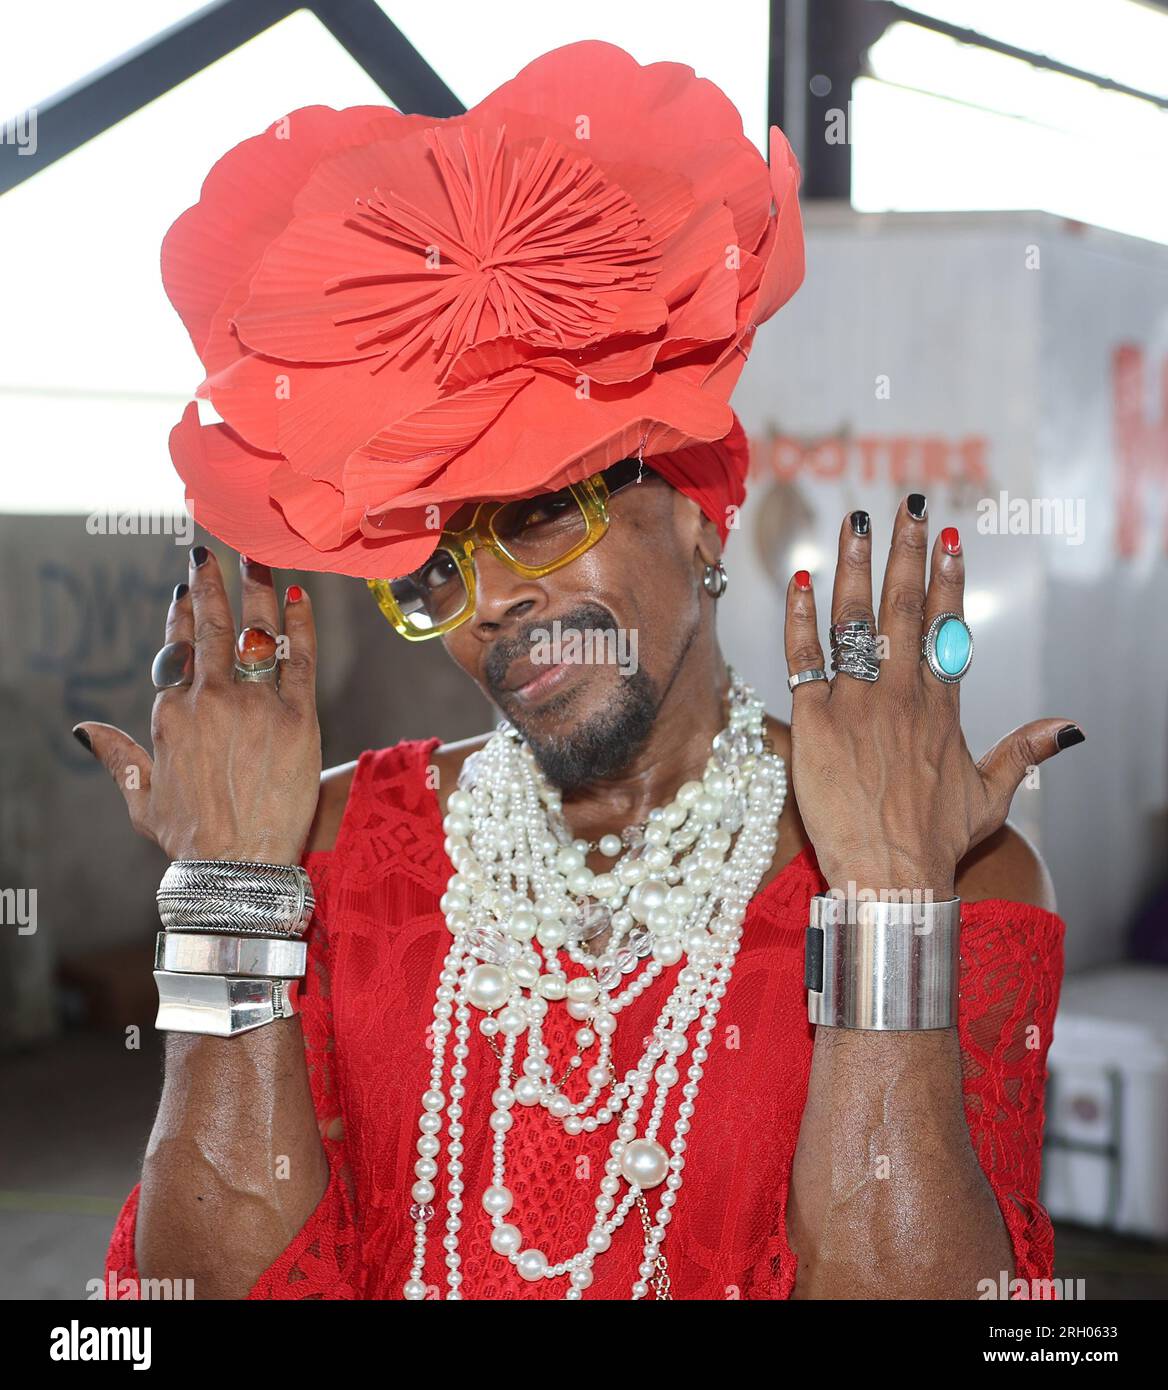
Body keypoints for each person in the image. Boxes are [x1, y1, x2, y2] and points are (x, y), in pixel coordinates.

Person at [77, 41, 1076, 1300]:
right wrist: (226, 895)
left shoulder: (950, 861)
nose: (490, 603)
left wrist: (882, 899)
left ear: (705, 515)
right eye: (437, 570)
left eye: (545, 513)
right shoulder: (315, 851)